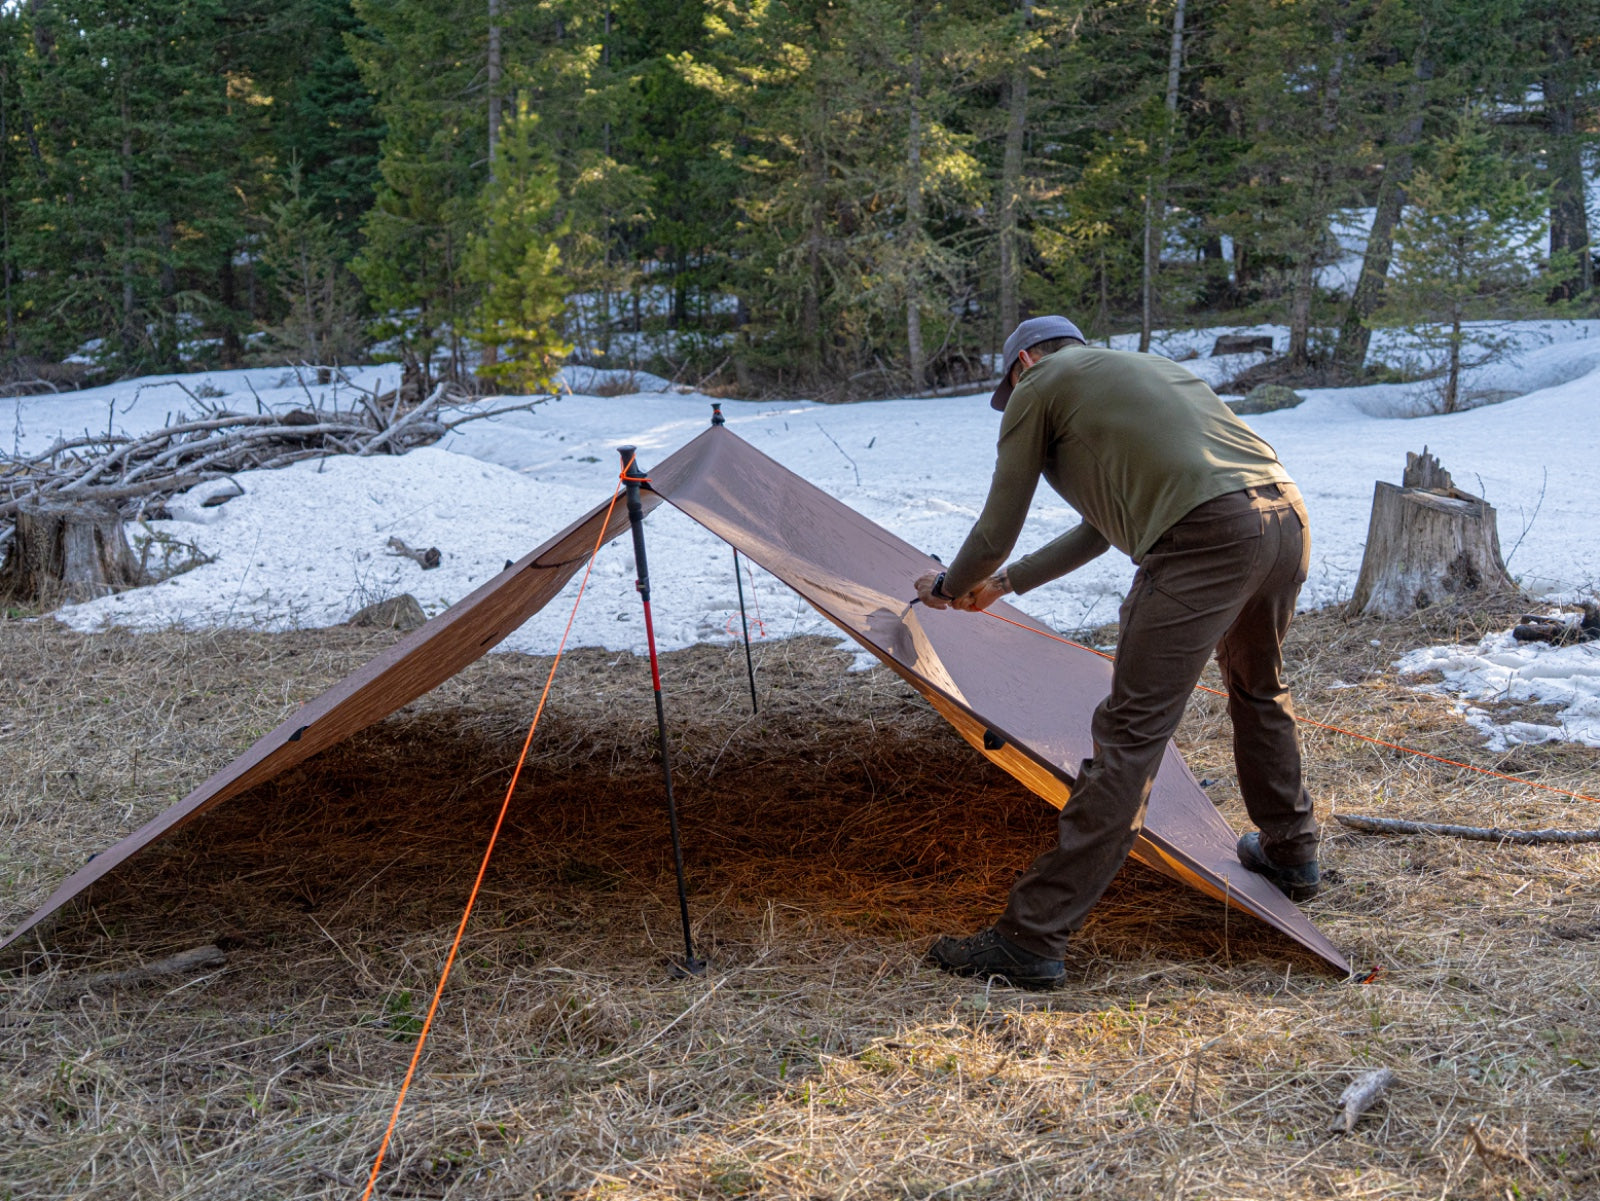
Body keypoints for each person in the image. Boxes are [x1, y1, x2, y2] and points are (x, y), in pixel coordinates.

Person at [914, 315, 1319, 989]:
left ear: (1021, 364)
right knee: (1257, 686)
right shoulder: (1139, 368)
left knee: (1130, 735)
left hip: (1207, 537)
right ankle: (1291, 851)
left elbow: (995, 528)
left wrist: (948, 586)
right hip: (1285, 518)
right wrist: (1006, 585)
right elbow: (1099, 531)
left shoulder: (1037, 386)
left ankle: (1031, 936)